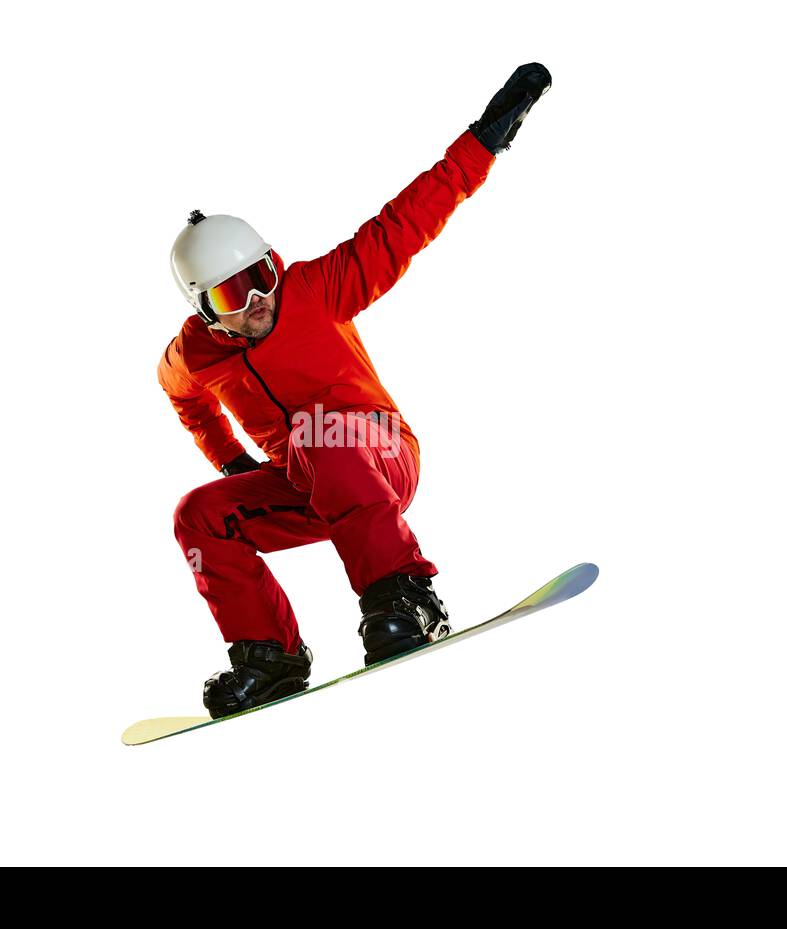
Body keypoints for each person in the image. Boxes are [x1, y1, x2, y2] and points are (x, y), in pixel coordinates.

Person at [160, 63, 552, 718]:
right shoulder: (193, 354)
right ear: (205, 310)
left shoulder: (318, 288)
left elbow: (403, 224)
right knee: (198, 516)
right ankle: (270, 657)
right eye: (234, 293)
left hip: (376, 457)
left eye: (262, 275)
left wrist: (483, 140)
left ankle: (404, 597)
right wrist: (229, 461)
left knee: (320, 435)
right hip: (307, 482)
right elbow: (181, 393)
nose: (259, 300)